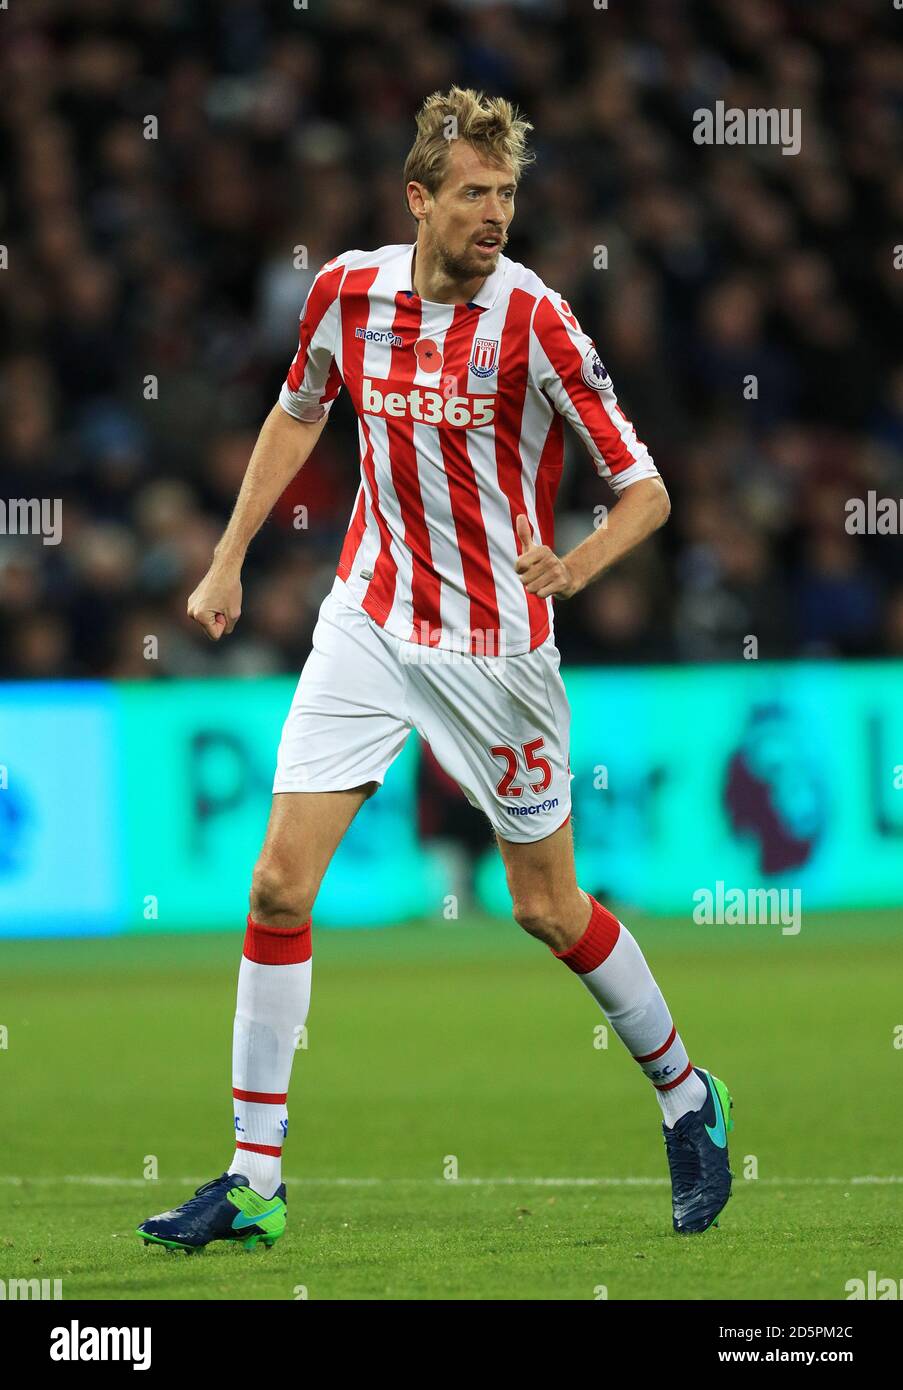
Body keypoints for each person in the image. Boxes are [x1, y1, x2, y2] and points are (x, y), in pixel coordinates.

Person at [137, 86, 732, 1255]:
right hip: (368, 620)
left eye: (507, 193)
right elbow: (297, 413)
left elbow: (647, 491)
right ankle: (255, 1179)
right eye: (473, 193)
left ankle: (685, 1093)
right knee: (276, 888)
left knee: (547, 907)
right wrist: (228, 556)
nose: (496, 213)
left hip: (496, 651)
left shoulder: (538, 320)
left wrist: (574, 565)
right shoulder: (345, 292)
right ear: (418, 197)